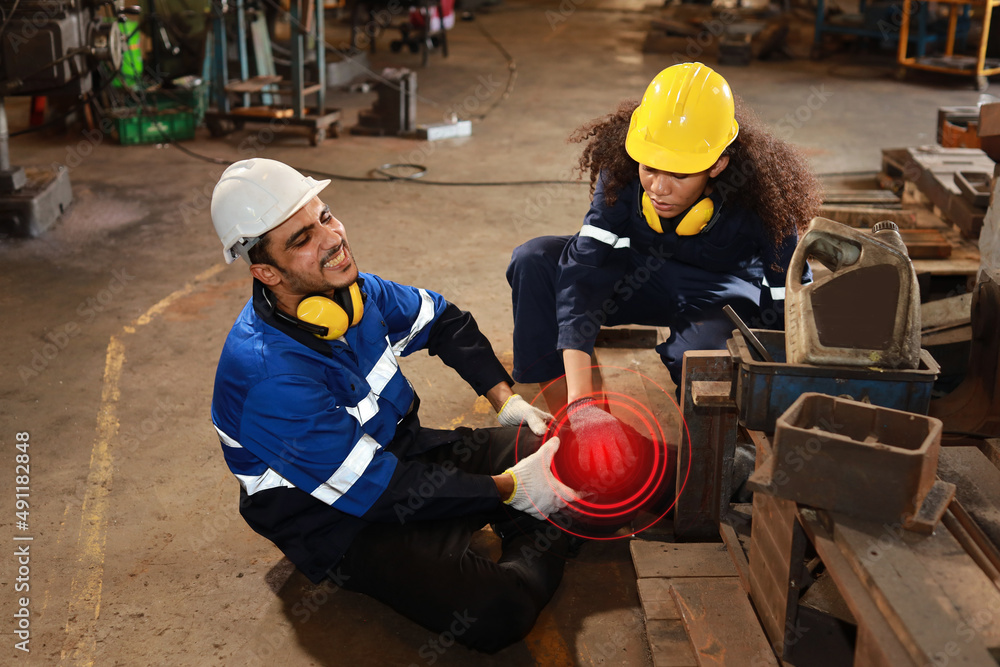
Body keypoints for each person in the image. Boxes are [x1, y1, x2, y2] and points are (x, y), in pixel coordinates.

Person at [208, 158, 584, 653]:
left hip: (397, 452)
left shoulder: (353, 296)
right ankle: (503, 534)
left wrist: (506, 400)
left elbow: (446, 321)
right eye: (300, 240)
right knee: (498, 612)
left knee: (554, 448)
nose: (331, 237)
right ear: (265, 272)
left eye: (324, 216)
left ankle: (475, 524)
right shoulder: (267, 375)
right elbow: (376, 490)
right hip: (332, 515)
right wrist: (508, 488)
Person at [507, 62, 822, 411]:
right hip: (640, 277)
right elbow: (587, 267)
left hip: (721, 296)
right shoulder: (625, 168)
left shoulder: (763, 199)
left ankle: (703, 444)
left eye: (679, 174)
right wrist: (581, 402)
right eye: (650, 168)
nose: (658, 188)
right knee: (534, 260)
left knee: (701, 356)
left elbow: (789, 300)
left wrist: (777, 383)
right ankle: (575, 421)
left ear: (717, 164)